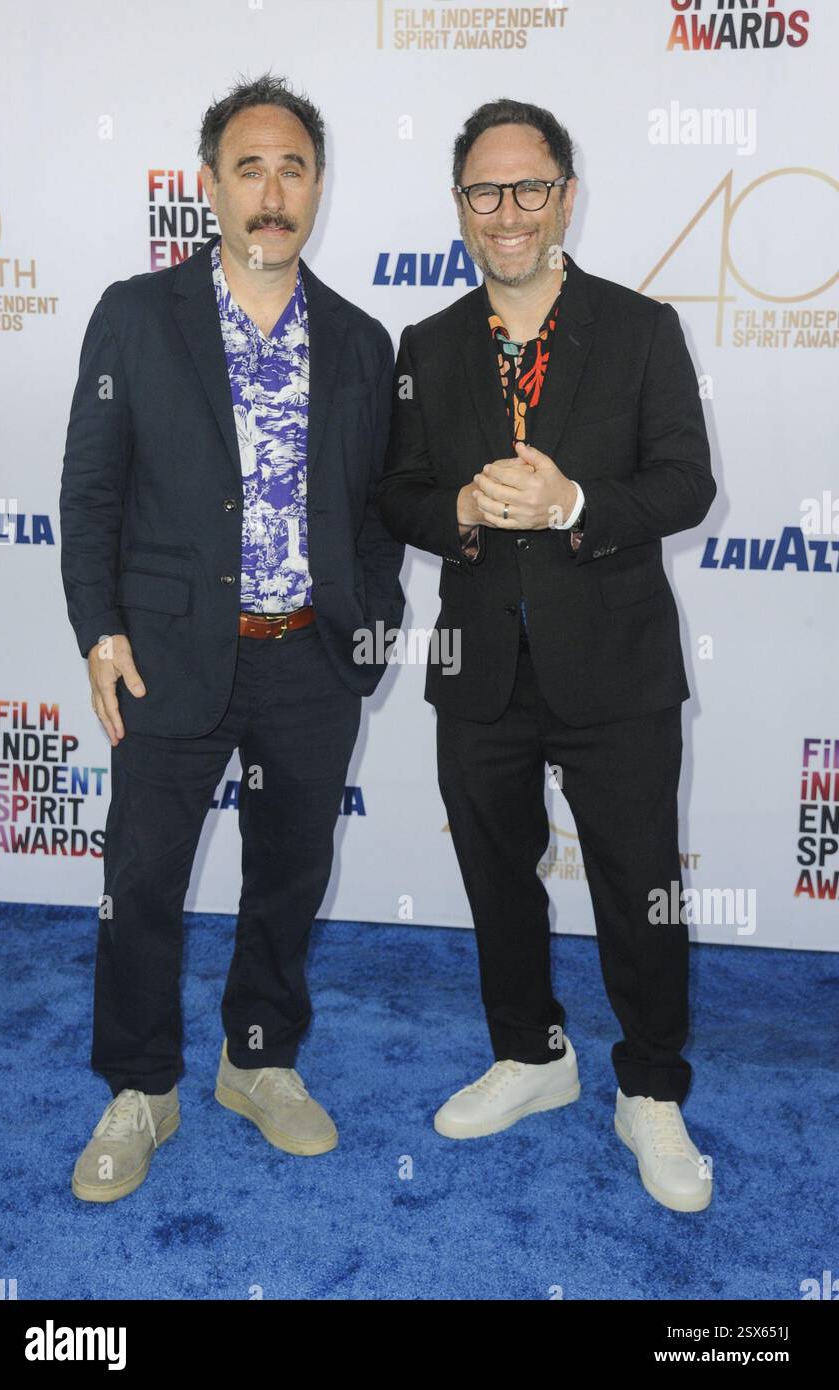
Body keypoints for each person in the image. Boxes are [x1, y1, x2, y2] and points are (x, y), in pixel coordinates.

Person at [60, 73, 404, 1202]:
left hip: (310, 655)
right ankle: (140, 1087)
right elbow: (92, 494)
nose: (271, 190)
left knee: (289, 876)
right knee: (143, 877)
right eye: (249, 166)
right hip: (167, 648)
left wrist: (373, 625)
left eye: (293, 167)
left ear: (317, 187)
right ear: (209, 185)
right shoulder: (134, 315)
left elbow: (377, 511)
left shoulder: (360, 339)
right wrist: (99, 629)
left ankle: (257, 1060)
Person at [377, 99, 716, 1213]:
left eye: (529, 188)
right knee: (496, 879)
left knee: (640, 885)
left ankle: (653, 1087)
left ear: (565, 194)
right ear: (461, 207)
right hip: (481, 666)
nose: (507, 212)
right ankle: (532, 1054)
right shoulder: (425, 347)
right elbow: (399, 493)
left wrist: (573, 498)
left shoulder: (641, 327)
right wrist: (462, 511)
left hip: (615, 665)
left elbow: (685, 482)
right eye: (485, 191)